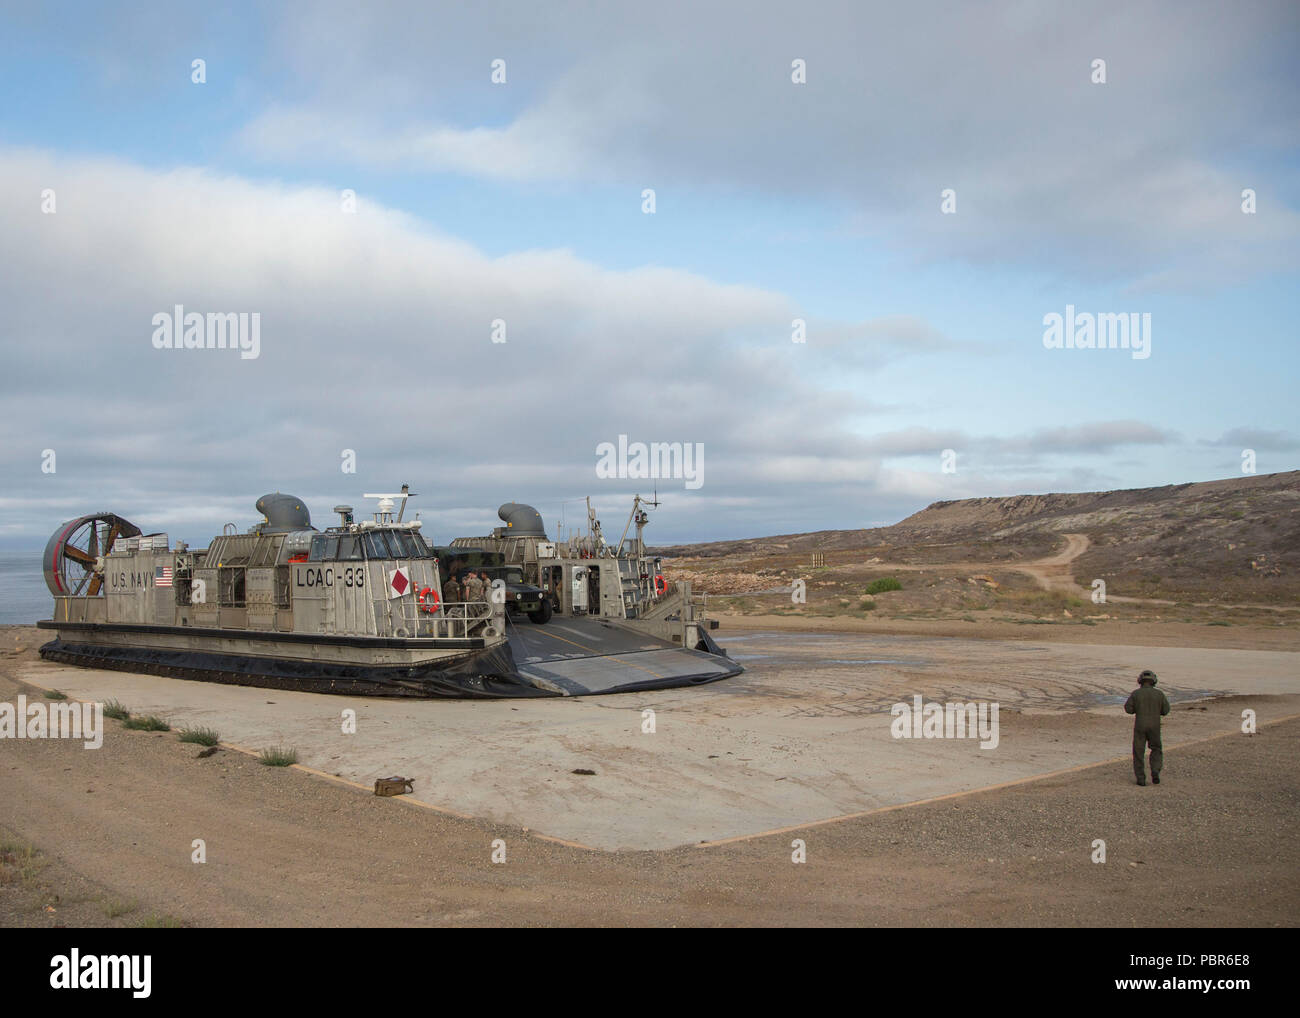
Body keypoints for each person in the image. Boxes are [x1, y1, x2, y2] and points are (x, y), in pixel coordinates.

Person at [1124, 669, 1170, 786]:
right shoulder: (1159, 694)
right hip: (1155, 726)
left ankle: (1141, 778)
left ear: (1140, 681)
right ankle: (1155, 771)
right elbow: (1165, 711)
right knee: (1156, 748)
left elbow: (1128, 709)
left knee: (1138, 751)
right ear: (1153, 681)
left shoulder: (1136, 693)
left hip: (1140, 725)